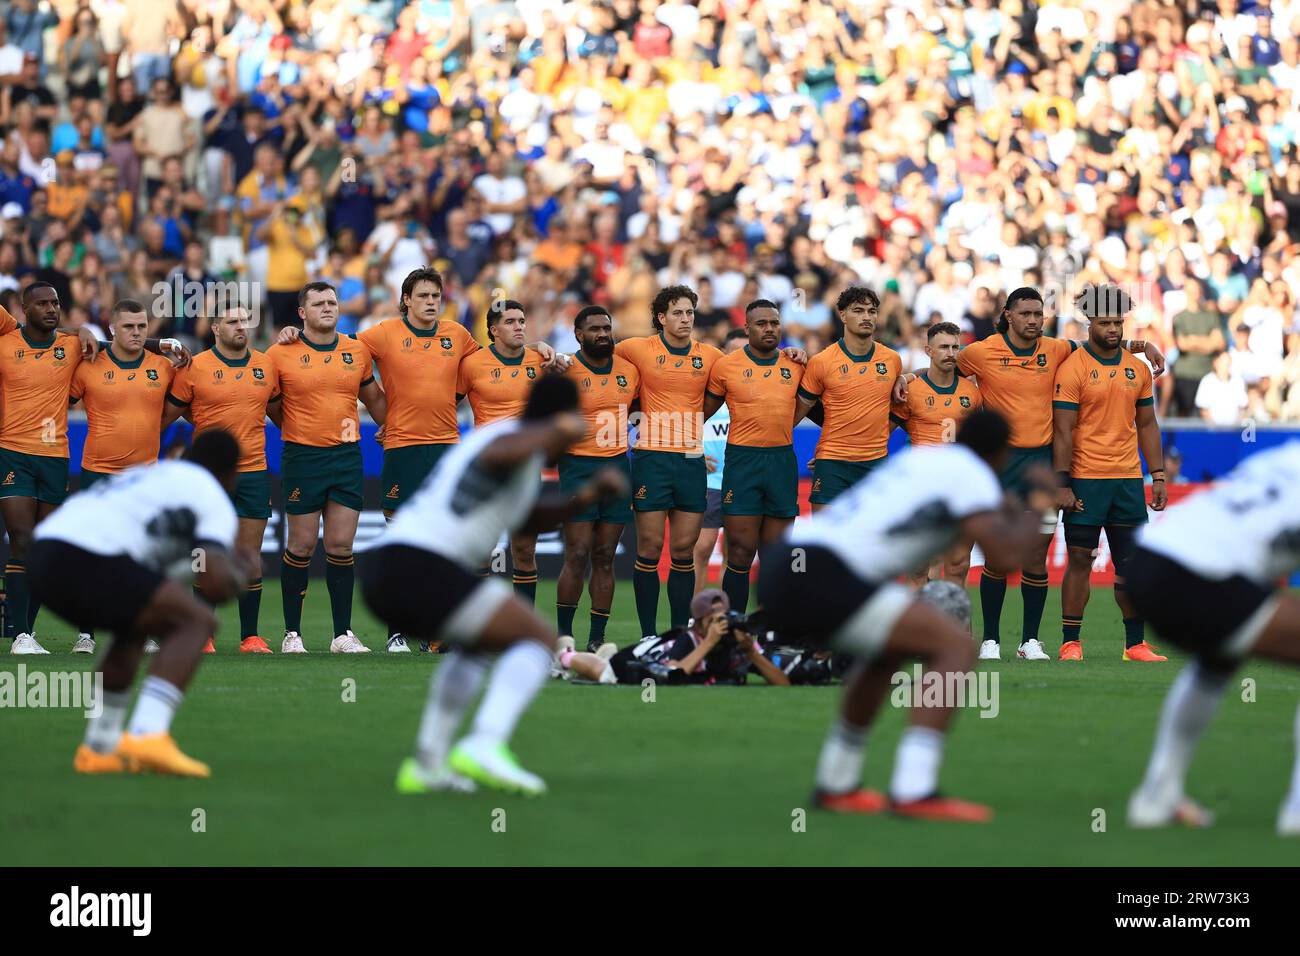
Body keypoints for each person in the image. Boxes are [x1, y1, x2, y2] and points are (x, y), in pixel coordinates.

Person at [756, 410, 1053, 820]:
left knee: (887, 652)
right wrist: (1039, 507)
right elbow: (1004, 557)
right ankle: (915, 789)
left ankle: (838, 783)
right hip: (826, 571)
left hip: (786, 563)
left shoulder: (925, 458)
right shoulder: (973, 474)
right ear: (1002, 452)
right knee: (954, 647)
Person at [360, 374, 628, 796]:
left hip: (395, 570)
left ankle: (427, 765)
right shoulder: (508, 438)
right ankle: (485, 743)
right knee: (539, 640)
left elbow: (527, 520)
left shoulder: (521, 457)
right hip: (418, 565)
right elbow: (500, 454)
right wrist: (557, 429)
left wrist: (589, 496)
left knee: (476, 648)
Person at [896, 287, 1165, 661]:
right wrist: (907, 377)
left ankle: (1030, 641)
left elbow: (1099, 342)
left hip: (1041, 465)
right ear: (1008, 315)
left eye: (1038, 314)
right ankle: (990, 639)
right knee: (996, 557)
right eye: (1025, 314)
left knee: (1037, 556)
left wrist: (1141, 345)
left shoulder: (1056, 349)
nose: (1033, 320)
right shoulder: (981, 352)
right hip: (1000, 467)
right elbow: (943, 363)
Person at [28, 430, 249, 777]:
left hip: (42, 554)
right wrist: (241, 572)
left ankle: (98, 749)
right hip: (86, 554)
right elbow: (215, 584)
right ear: (231, 472)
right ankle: (148, 733)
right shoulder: (211, 494)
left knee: (133, 628)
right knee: (196, 622)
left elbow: (168, 560)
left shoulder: (153, 473)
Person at [1124, 443, 1300, 835]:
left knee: (1219, 659)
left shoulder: (1285, 455)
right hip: (1199, 572)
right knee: (1225, 648)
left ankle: (1158, 796)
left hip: (1151, 557)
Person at [265, 282, 386, 653]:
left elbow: (374, 397)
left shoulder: (355, 349)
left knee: (339, 546)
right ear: (302, 312)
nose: (328, 307)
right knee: (300, 545)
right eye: (318, 303)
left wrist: (392, 427)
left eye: (332, 302)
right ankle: (292, 634)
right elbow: (269, 402)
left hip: (347, 456)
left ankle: (342, 635)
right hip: (303, 458)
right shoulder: (280, 352)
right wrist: (296, 427)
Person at [1053, 284, 1167, 662]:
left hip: (1128, 480)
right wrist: (1062, 482)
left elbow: (1148, 425)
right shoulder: (1072, 368)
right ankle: (1071, 642)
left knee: (1131, 564)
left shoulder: (1137, 369)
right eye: (1105, 322)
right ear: (1090, 323)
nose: (1114, 329)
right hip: (1086, 478)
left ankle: (1135, 644)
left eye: (1118, 322)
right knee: (1081, 558)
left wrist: (1159, 475)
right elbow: (1063, 430)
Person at [163, 305, 280, 653]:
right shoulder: (195, 367)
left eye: (245, 321)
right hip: (209, 478)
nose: (241, 327)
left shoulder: (266, 365)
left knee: (249, 554)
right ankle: (203, 635)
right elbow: (167, 415)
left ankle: (250, 636)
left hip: (254, 471)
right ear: (215, 328)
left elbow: (280, 413)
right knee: (204, 554)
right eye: (232, 321)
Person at [67, 300, 176, 655]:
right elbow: (54, 402)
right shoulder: (88, 366)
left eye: (142, 326)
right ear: (112, 328)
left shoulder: (164, 367)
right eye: (128, 327)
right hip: (98, 473)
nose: (136, 332)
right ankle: (86, 633)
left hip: (145, 478)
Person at [615, 284, 723, 636]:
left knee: (682, 551)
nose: (685, 318)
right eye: (677, 312)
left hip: (691, 462)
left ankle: (679, 634)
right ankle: (648, 635)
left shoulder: (710, 356)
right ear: (661, 318)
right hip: (650, 460)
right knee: (649, 548)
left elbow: (736, 375)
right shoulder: (636, 348)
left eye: (690, 312)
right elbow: (595, 355)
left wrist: (793, 354)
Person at [702, 299, 803, 613]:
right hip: (742, 463)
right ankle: (733, 625)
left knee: (775, 554)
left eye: (774, 323)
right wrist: (689, 449)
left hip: (781, 461)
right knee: (741, 551)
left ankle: (771, 627)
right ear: (747, 328)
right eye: (761, 323)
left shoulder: (796, 363)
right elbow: (699, 414)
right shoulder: (726, 367)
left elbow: (824, 408)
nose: (769, 329)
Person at [556, 305, 639, 650]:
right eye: (594, 329)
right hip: (578, 469)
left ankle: (597, 639)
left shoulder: (629, 370)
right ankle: (564, 637)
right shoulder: (564, 370)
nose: (603, 334)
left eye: (607, 328)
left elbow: (639, 409)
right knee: (576, 553)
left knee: (604, 555)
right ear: (579, 334)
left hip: (618, 466)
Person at [456, 300, 549, 605]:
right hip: (488, 468)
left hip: (526, 469)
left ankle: (521, 633)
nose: (519, 326)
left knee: (524, 549)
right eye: (510, 322)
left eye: (522, 320)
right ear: (494, 330)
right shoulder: (472, 364)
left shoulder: (541, 359)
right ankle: (474, 628)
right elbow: (445, 404)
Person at [889, 321, 984, 589]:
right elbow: (882, 431)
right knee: (919, 566)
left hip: (960, 488)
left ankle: (956, 629)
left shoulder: (972, 393)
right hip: (921, 487)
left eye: (956, 347)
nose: (951, 352)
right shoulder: (910, 391)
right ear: (928, 350)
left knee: (958, 564)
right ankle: (916, 630)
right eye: (944, 347)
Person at [795, 287, 902, 511]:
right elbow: (795, 416)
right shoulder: (822, 362)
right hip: (832, 462)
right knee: (825, 541)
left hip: (875, 463)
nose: (866, 317)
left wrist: (908, 376)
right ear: (842, 315)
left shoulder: (892, 360)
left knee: (874, 540)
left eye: (872, 311)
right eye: (858, 311)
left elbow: (894, 411)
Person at [556, 589, 790, 686]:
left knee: (607, 666)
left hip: (660, 663)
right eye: (712, 620)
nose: (720, 625)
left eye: (723, 617)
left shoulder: (737, 639)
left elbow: (782, 682)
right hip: (643, 663)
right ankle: (566, 655)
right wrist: (708, 643)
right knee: (607, 674)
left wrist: (752, 654)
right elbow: (675, 673)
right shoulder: (689, 640)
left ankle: (602, 656)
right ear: (698, 624)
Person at [693, 328, 746, 591]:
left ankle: (726, 616)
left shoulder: (754, 393)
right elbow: (680, 424)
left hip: (742, 482)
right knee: (701, 549)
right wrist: (694, 455)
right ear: (724, 354)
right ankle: (695, 616)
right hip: (709, 481)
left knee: (734, 554)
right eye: (735, 351)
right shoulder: (707, 391)